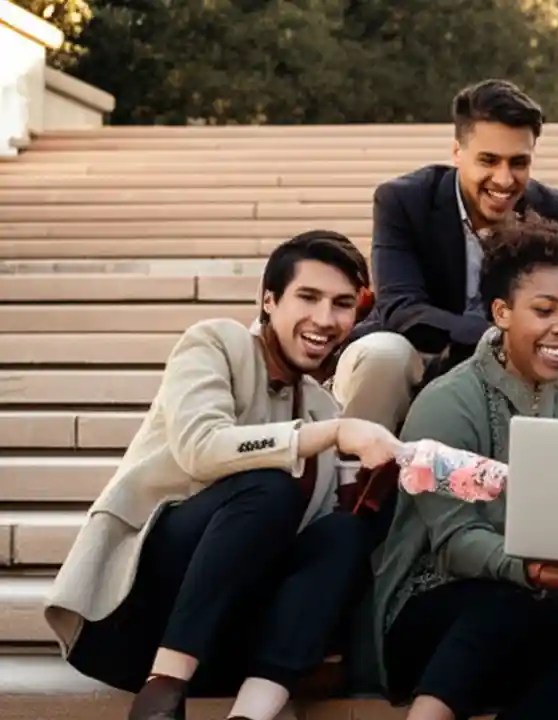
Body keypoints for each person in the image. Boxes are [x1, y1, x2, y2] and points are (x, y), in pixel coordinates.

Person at [44, 231, 406, 720]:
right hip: (135, 622)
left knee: (343, 531)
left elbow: (304, 540)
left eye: (342, 304)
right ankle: (161, 693)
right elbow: (202, 449)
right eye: (308, 297)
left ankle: (251, 712)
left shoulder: (321, 405)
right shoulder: (215, 342)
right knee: (269, 484)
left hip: (228, 636)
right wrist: (332, 433)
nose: (325, 319)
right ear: (269, 300)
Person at [365, 214, 558, 720]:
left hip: (533, 603)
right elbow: (456, 544)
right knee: (504, 602)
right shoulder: (447, 403)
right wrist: (539, 572)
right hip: (428, 617)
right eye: (544, 310)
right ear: (501, 312)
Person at [332, 78, 558, 433]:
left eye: (518, 162)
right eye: (488, 160)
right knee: (384, 355)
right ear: (457, 153)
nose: (504, 179)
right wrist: (494, 334)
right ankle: (356, 478)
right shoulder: (403, 201)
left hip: (517, 351)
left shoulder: (555, 211)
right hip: (420, 347)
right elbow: (402, 309)